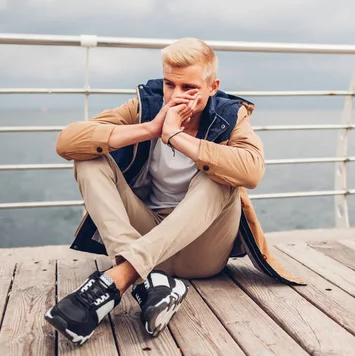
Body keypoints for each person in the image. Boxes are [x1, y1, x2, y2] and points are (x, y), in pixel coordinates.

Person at [44, 38, 303, 346]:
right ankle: (148, 279)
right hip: (146, 240)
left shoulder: (230, 116)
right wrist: (152, 129)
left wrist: (177, 137)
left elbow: (252, 171)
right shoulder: (144, 108)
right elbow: (67, 142)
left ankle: (121, 277)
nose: (176, 96)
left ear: (212, 86)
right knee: (89, 159)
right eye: (170, 84)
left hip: (202, 251)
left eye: (189, 88)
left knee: (220, 175)